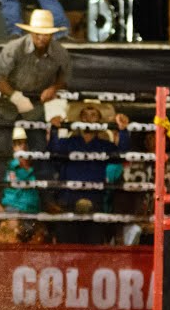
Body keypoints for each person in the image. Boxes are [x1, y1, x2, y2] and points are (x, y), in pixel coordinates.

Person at [0, 8, 72, 157]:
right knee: (0, 147)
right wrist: (15, 96)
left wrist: (54, 88)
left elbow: (65, 78)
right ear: (31, 33)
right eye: (37, 33)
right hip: (6, 105)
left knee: (40, 149)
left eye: (46, 34)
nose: (41, 38)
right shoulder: (15, 48)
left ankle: (40, 171)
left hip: (35, 107)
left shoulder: (60, 53)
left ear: (52, 35)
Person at [46, 100, 131, 245]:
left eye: (93, 115)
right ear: (80, 118)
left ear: (99, 119)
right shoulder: (68, 143)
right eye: (85, 115)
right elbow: (53, 155)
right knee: (67, 248)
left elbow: (122, 155)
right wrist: (54, 129)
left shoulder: (105, 146)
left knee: (92, 249)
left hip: (94, 203)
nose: (88, 118)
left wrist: (123, 130)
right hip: (68, 203)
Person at [0, 126, 40, 215]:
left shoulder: (37, 166)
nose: (23, 146)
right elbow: (11, 196)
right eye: (19, 143)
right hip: (14, 209)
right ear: (13, 147)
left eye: (25, 143)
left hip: (33, 210)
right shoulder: (10, 167)